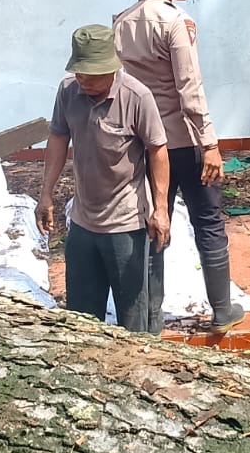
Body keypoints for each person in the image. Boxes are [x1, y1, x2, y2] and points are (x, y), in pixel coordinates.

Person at [113, 0, 245, 333]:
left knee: (155, 222)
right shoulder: (175, 22)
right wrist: (211, 144)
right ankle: (222, 311)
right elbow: (189, 88)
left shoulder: (120, 21)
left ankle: (149, 321)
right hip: (184, 142)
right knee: (208, 222)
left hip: (146, 144)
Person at [37, 25, 171, 334]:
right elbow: (58, 136)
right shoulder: (69, 90)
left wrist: (160, 208)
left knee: (133, 321)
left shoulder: (137, 97)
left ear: (111, 68)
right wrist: (46, 193)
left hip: (126, 226)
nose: (82, 79)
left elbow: (158, 151)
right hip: (83, 222)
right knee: (82, 321)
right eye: (79, 72)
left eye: (90, 74)